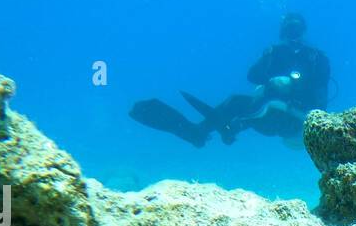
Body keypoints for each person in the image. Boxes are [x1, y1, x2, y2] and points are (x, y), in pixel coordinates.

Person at [130, 12, 330, 147]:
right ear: (282, 33)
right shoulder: (274, 53)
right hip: (265, 113)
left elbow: (321, 87)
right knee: (234, 101)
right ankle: (196, 132)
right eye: (288, 31)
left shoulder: (316, 57)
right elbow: (252, 75)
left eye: (296, 31)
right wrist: (271, 74)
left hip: (297, 118)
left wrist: (294, 85)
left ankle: (235, 125)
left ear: (303, 32)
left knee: (262, 109)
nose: (292, 36)